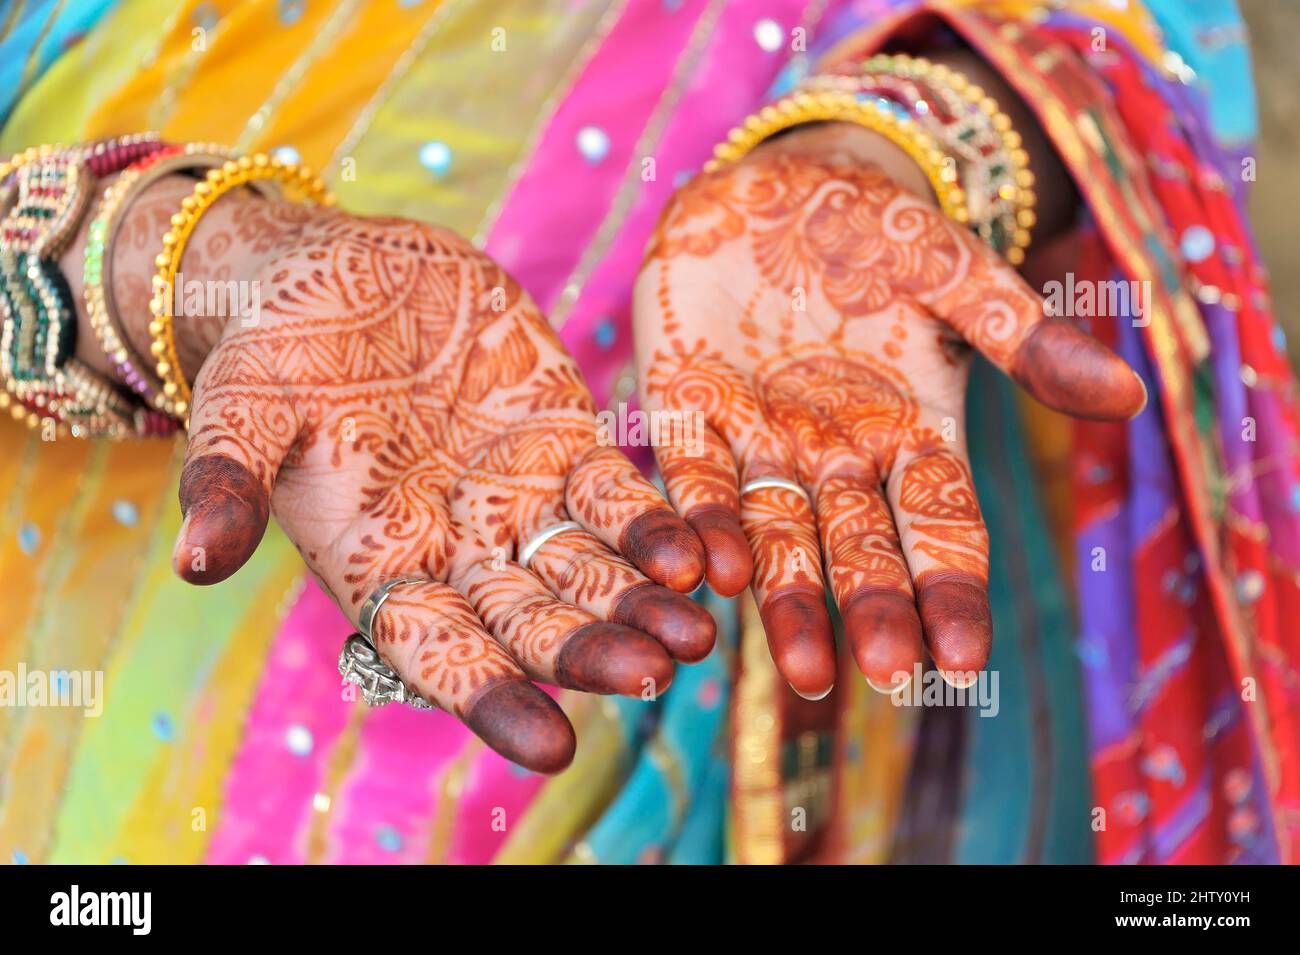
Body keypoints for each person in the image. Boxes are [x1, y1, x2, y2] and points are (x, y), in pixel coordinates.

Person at [0, 0, 1293, 865]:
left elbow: (1117, 32)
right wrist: (165, 264)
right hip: (90, 663)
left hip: (723, 590)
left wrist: (890, 154)